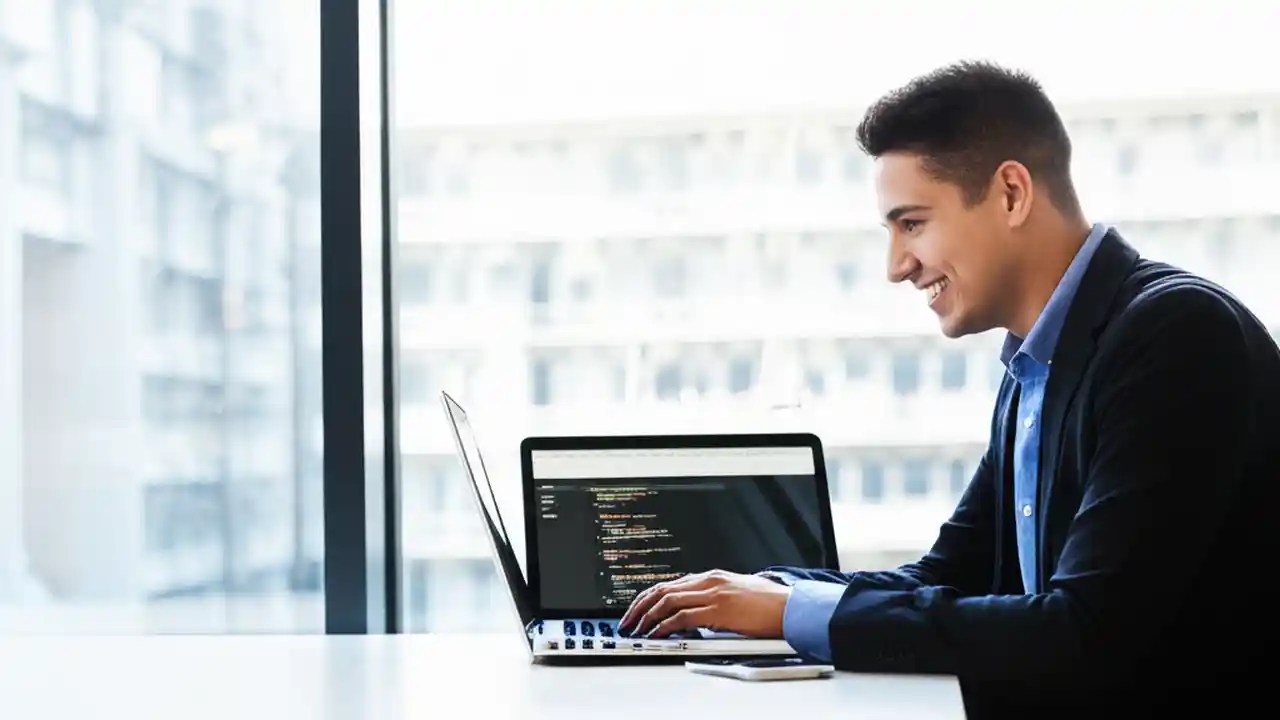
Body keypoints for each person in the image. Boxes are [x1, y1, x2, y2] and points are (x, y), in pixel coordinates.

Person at [618, 60, 1276, 718]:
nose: (896, 267)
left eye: (912, 224)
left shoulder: (1174, 335)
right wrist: (762, 594)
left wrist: (792, 610)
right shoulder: (1036, 369)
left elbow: (1083, 630)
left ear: (1011, 194)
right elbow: (943, 578)